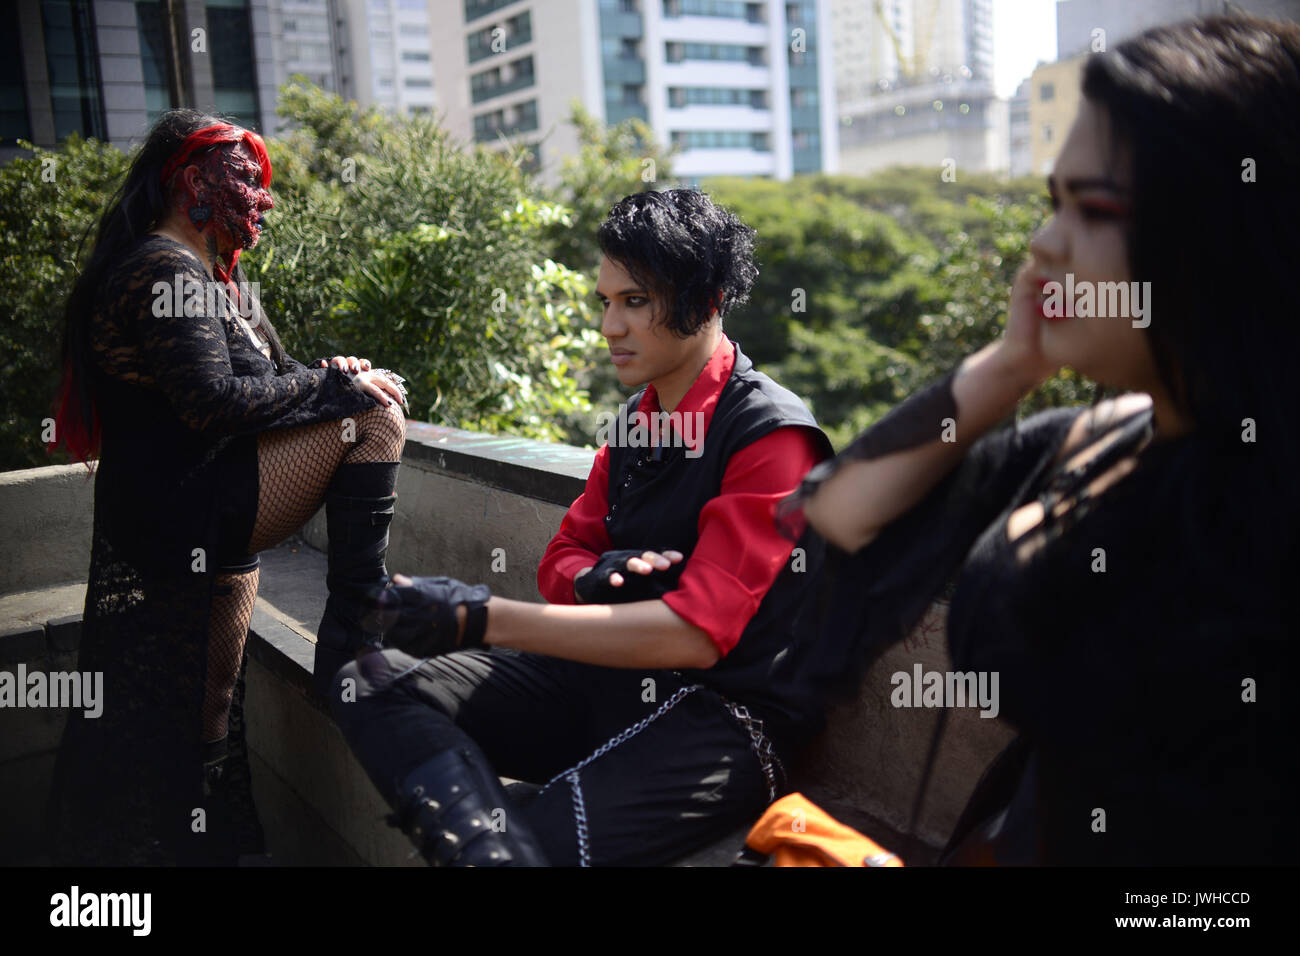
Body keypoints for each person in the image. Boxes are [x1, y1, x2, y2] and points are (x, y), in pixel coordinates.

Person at [780, 15, 1296, 865]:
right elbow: (842, 511)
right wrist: (1011, 366)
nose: (1043, 243)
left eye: (1093, 209)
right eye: (1052, 202)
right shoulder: (1099, 441)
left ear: (1223, 235)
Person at [329, 189, 836, 866]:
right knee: (367, 680)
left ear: (707, 300)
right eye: (605, 301)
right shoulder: (636, 421)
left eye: (635, 301)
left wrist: (478, 618)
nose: (609, 326)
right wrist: (592, 577)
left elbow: (697, 634)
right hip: (606, 680)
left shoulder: (771, 435)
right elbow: (564, 555)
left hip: (720, 723)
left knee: (541, 837)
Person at [45, 110, 409, 865]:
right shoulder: (163, 269)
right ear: (190, 180)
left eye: (259, 178)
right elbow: (210, 403)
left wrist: (331, 375)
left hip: (205, 508)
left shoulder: (214, 277)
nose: (260, 195)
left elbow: (279, 384)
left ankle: (208, 850)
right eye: (242, 175)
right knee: (377, 424)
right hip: (184, 506)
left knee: (208, 706)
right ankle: (354, 635)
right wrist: (340, 393)